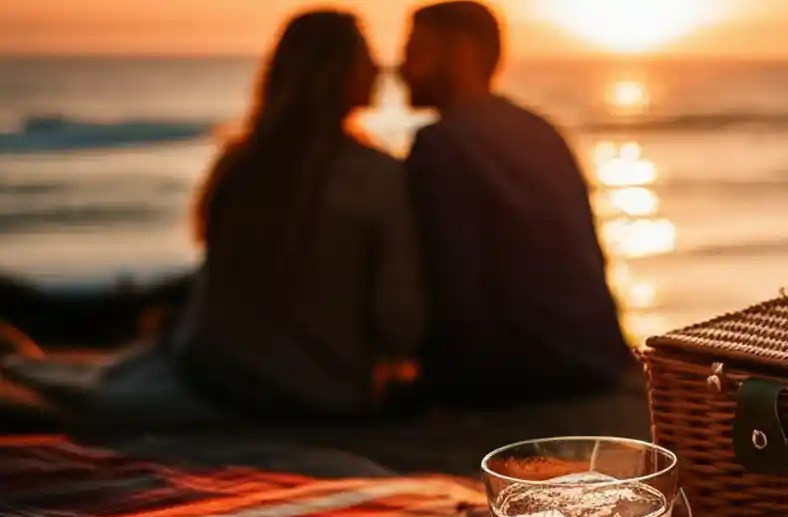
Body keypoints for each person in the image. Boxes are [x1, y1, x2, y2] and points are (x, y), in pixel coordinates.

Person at [3, 9, 424, 424]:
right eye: (364, 57)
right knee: (71, 385)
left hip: (219, 373)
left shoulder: (244, 163)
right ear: (335, 72)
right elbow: (400, 322)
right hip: (317, 395)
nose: (378, 69)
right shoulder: (377, 176)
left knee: (75, 382)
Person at [399, 1, 634, 406]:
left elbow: (455, 288)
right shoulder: (540, 131)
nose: (401, 68)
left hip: (521, 377)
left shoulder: (443, 144)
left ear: (461, 54)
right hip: (593, 358)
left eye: (415, 52)